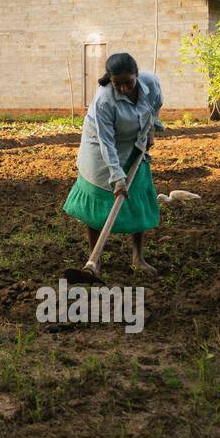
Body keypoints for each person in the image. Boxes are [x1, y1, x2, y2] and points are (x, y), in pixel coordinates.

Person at [62, 51, 163, 279]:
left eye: (129, 82)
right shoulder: (104, 100)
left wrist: (152, 129)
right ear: (110, 80)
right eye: (118, 84)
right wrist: (117, 177)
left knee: (136, 197)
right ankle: (94, 260)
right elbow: (106, 141)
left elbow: (156, 104)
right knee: (98, 202)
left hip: (133, 144)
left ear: (136, 75)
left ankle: (138, 257)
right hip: (100, 147)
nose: (124, 88)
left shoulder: (151, 83)